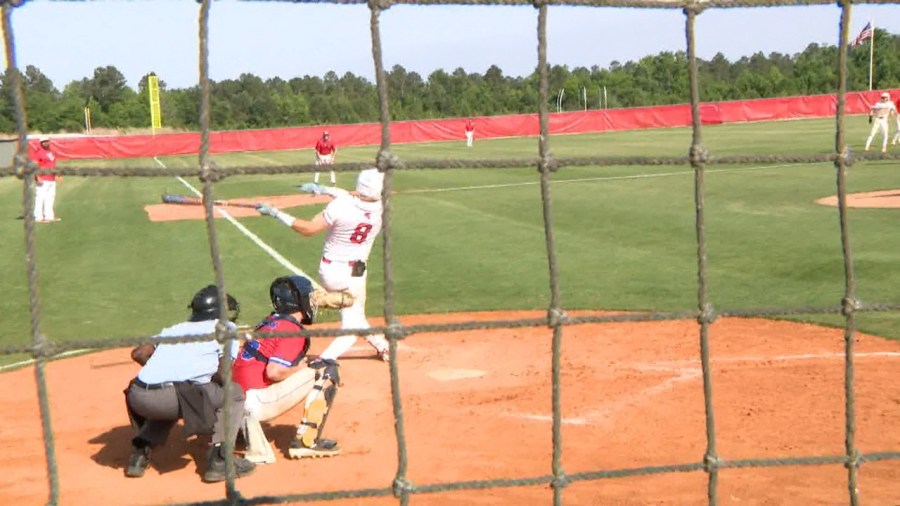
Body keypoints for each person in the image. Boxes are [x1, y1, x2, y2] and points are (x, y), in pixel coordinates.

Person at [255, 168, 390, 364]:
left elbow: (309, 229)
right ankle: (328, 358)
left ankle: (376, 345)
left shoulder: (341, 205)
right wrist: (324, 188)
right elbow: (353, 195)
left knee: (354, 316)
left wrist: (276, 213)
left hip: (330, 271)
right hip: (353, 274)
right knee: (352, 320)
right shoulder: (381, 206)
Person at [123, 285, 256, 483]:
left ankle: (139, 454)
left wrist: (170, 372)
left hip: (138, 396)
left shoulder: (175, 329)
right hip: (169, 399)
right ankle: (220, 461)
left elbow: (139, 353)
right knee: (233, 392)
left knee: (179, 393)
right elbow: (224, 373)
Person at [231, 275, 342, 463]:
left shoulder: (269, 322)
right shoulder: (292, 329)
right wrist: (301, 366)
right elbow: (274, 372)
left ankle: (241, 434)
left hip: (232, 405)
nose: (312, 302)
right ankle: (306, 443)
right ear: (299, 301)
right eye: (309, 297)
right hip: (253, 405)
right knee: (326, 368)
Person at [31, 135, 60, 222]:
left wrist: (57, 174)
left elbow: (53, 164)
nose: (46, 143)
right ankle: (38, 217)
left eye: (47, 141)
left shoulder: (50, 152)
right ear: (41, 143)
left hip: (51, 178)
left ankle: (49, 216)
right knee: (40, 198)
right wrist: (37, 177)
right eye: (44, 141)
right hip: (43, 178)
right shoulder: (38, 153)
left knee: (50, 197)